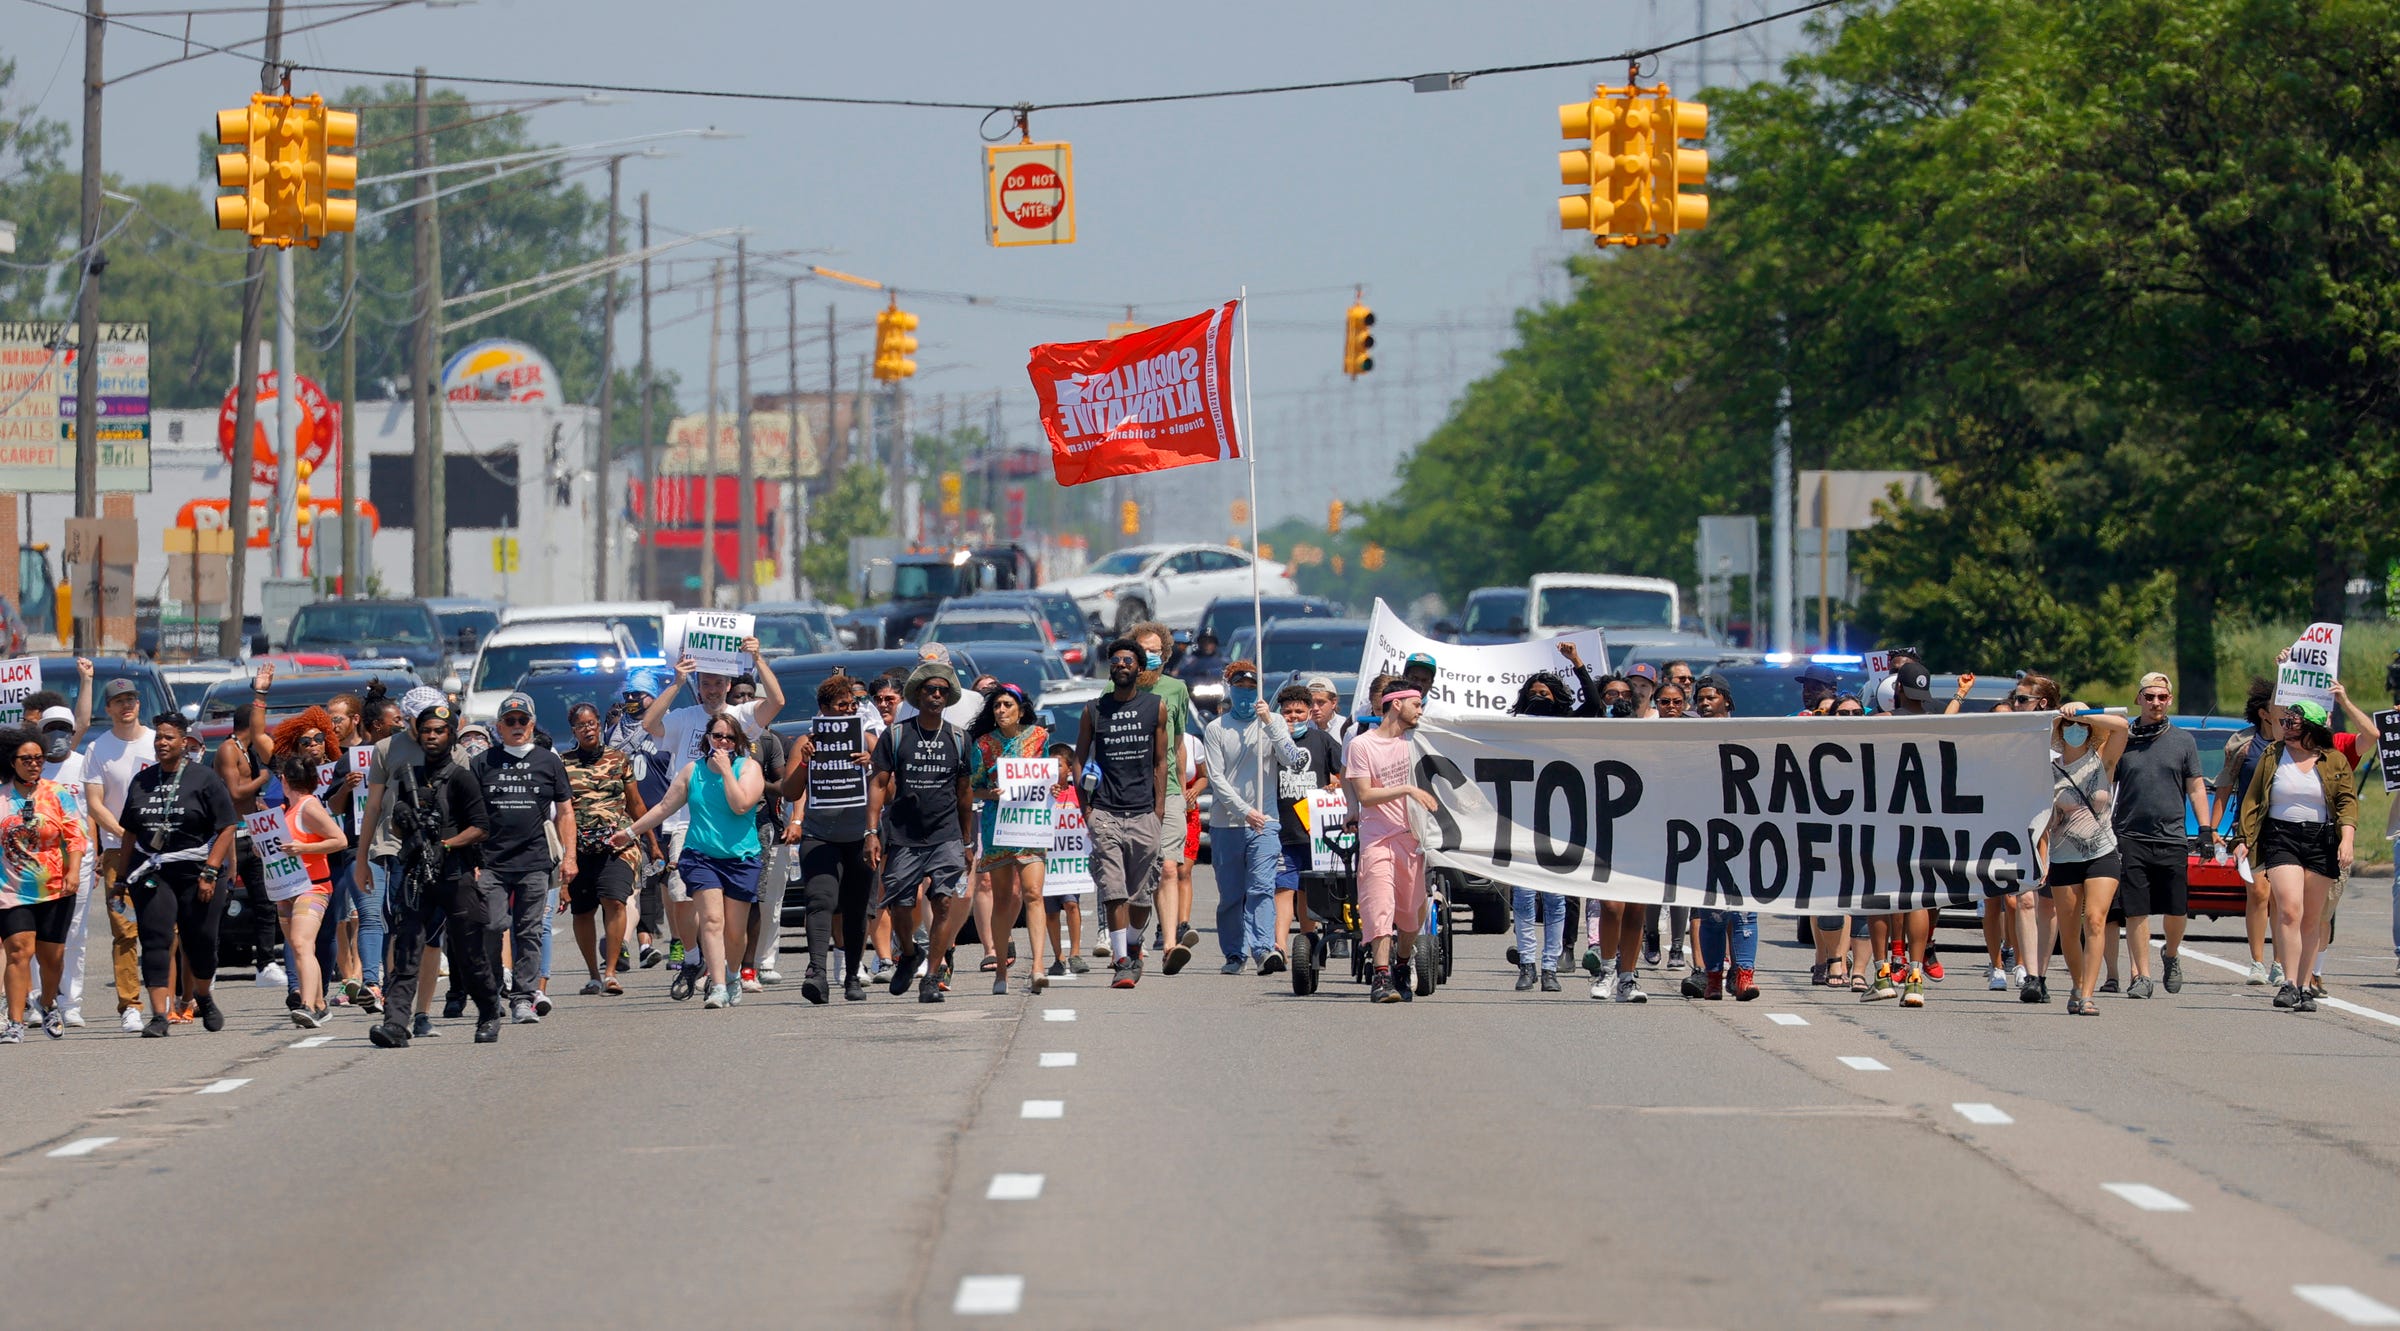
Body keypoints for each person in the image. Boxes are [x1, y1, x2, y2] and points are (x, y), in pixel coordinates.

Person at [641, 638, 781, 1001]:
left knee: (733, 927)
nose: (712, 689)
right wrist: (674, 683)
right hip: (687, 820)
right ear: (698, 685)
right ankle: (694, 959)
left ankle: (727, 973)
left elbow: (777, 702)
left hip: (733, 830)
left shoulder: (742, 717)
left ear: (729, 686)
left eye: (719, 683)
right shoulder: (686, 717)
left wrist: (758, 657)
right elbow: (650, 723)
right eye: (705, 683)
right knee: (683, 898)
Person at [614, 710, 764, 1010]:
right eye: (717, 735)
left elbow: (741, 805)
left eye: (729, 738)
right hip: (701, 855)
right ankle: (718, 986)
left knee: (735, 931)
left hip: (741, 858)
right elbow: (664, 808)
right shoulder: (691, 770)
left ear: (738, 742)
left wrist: (724, 772)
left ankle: (733, 976)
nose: (722, 742)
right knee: (711, 920)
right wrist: (630, 832)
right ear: (708, 737)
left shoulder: (749, 769)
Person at [368, 704, 494, 1047]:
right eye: (427, 731)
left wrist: (447, 845)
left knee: (469, 953)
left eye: (439, 731)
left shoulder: (461, 776)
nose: (432, 736)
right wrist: (403, 817)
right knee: (407, 949)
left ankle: (488, 1012)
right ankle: (395, 1022)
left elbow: (481, 827)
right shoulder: (410, 776)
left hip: (455, 877)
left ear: (450, 734)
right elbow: (394, 824)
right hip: (417, 878)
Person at [110, 713, 237, 1038]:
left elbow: (227, 827)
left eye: (169, 737)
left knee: (200, 942)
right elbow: (129, 834)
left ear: (184, 743)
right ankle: (159, 1015)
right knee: (155, 939)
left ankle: (203, 996)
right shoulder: (143, 781)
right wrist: (122, 878)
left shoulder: (204, 779)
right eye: (158, 738)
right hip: (154, 872)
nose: (162, 743)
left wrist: (211, 871)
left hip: (197, 872)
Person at [864, 661, 976, 1003]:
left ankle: (931, 975)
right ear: (918, 695)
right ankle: (909, 953)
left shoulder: (958, 738)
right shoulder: (897, 735)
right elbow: (880, 783)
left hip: (945, 835)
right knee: (899, 903)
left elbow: (964, 792)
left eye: (942, 691)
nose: (937, 696)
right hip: (903, 835)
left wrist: (967, 841)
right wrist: (871, 832)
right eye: (930, 690)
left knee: (942, 903)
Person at [2237, 698, 2356, 1014]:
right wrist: (2243, 840)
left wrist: (2347, 840)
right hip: (2281, 837)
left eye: (2292, 723)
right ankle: (2289, 983)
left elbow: (2346, 803)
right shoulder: (2273, 755)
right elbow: (2252, 800)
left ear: (2312, 728)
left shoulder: (2333, 760)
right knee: (2290, 909)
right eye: (2284, 722)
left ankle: (2304, 986)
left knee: (2313, 917)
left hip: (2321, 841)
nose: (2285, 727)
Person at [2109, 672, 2212, 1000]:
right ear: (2138, 698)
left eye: (2162, 698)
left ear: (2169, 700)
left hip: (2171, 836)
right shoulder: (2124, 737)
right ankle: (2142, 975)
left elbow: (2195, 787)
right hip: (2130, 834)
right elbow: (2106, 777)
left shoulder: (2183, 741)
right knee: (2135, 910)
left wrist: (2205, 829)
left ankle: (2170, 954)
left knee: (2176, 909)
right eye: (2149, 697)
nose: (2156, 703)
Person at [1204, 659, 1310, 977]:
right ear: (1230, 689)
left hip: (1267, 822)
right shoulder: (1216, 729)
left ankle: (1264, 949)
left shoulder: (1272, 721)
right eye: (1240, 689)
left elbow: (1294, 761)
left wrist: (1272, 725)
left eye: (1252, 689)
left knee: (1263, 887)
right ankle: (1234, 952)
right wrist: (1244, 811)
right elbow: (1217, 780)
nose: (1247, 696)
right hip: (1229, 822)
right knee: (1232, 894)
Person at [475, 693, 576, 1025]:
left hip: (535, 861)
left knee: (529, 931)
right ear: (499, 727)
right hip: (492, 862)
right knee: (492, 926)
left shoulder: (549, 761)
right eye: (510, 721)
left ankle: (523, 997)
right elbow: (470, 815)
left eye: (522, 720)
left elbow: (564, 812)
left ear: (532, 724)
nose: (516, 727)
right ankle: (491, 991)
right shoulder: (483, 763)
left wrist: (569, 857)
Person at [1074, 639, 1169, 989]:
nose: (1121, 665)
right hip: (1105, 812)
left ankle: (1133, 941)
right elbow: (1079, 757)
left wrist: (1158, 810)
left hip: (1144, 812)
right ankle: (1122, 959)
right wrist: (1086, 805)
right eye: (1115, 661)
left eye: (1128, 660)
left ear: (1140, 669)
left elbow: (1161, 761)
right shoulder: (1094, 710)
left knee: (1141, 897)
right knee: (1114, 889)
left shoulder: (1155, 708)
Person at [780, 674, 880, 1003]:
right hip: (819, 834)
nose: (848, 710)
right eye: (841, 706)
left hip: (859, 836)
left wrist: (873, 765)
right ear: (824, 709)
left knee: (856, 907)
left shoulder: (867, 740)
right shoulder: (805, 741)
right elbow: (791, 790)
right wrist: (805, 761)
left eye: (852, 705)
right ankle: (817, 972)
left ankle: (852, 974)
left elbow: (888, 789)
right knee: (819, 900)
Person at [2039, 686, 2131, 1016]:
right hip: (2063, 856)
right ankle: (2077, 984)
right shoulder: (2047, 771)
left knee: (2095, 919)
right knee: (2069, 928)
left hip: (2102, 851)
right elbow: (2042, 819)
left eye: (2082, 727)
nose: (2076, 730)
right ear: (2060, 731)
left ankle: (2089, 993)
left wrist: (2085, 712)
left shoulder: (2102, 762)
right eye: (2069, 725)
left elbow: (2123, 726)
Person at [1346, 685, 1437, 1004]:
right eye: (1416, 704)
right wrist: (1408, 790)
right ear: (1395, 704)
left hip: (1411, 839)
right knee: (1380, 906)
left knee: (1412, 914)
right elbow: (1366, 796)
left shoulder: (1417, 741)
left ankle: (1401, 964)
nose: (1421, 711)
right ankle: (1381, 976)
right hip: (1376, 839)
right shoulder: (1362, 745)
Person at [0, 726, 86, 1042]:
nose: (35, 764)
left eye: (39, 758)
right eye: (27, 759)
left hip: (55, 889)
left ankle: (47, 1003)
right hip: (11, 890)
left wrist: (73, 872)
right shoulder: (1, 796)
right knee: (19, 952)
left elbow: (76, 835)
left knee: (53, 958)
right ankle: (15, 1021)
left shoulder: (57, 793)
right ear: (12, 761)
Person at [967, 682, 1051, 995]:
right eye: (997, 706)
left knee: (1033, 893)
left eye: (1007, 705)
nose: (1001, 711)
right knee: (1002, 899)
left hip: (1030, 825)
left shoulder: (1040, 737)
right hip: (997, 826)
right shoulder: (983, 744)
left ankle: (1038, 966)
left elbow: (1044, 775)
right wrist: (991, 792)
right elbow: (973, 787)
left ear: (1021, 709)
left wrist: (1053, 787)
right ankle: (1001, 968)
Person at [82, 675, 155, 1034]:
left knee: (164, 927)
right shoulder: (98, 749)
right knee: (124, 930)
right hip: (117, 853)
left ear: (139, 704)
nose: (127, 705)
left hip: (161, 852)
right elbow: (95, 804)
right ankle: (130, 1004)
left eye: (132, 699)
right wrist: (127, 835)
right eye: (119, 701)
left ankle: (167, 997)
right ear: (108, 708)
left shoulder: (159, 743)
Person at [562, 702, 645, 997]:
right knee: (583, 912)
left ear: (599, 724)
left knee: (615, 900)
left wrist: (652, 841)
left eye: (592, 723)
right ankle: (594, 975)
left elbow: (635, 802)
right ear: (574, 730)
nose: (588, 729)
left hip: (616, 844)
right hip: (580, 847)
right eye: (581, 725)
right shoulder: (563, 763)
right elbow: (559, 810)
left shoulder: (619, 759)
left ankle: (611, 973)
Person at [1129, 622, 1198, 959]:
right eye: (1145, 650)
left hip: (1168, 788)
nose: (1151, 656)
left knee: (1170, 866)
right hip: (1130, 791)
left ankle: (1170, 942)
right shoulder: (1117, 688)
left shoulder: (1176, 689)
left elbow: (1180, 742)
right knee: (1138, 872)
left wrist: (1183, 790)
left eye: (1157, 650)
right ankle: (1131, 939)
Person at [24, 698, 93, 1031]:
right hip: (37, 862)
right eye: (51, 730)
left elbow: (90, 812)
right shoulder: (32, 766)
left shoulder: (84, 763)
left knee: (75, 933)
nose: (58, 736)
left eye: (64, 729)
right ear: (41, 732)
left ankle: (70, 1002)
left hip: (78, 859)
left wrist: (90, 860)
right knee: (37, 935)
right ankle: (37, 999)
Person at [266, 745, 347, 1028]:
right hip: (286, 887)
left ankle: (309, 1005)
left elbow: (339, 840)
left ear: (285, 781)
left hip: (313, 887)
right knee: (299, 946)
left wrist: (302, 847)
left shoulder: (309, 806)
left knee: (302, 943)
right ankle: (320, 1004)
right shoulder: (287, 810)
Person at [2211, 677, 2283, 984]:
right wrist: (2211, 829)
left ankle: (2281, 962)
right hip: (2251, 828)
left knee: (2282, 896)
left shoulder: (2293, 741)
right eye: (2276, 704)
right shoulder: (2243, 744)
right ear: (2264, 712)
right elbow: (2224, 786)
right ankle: (2257, 962)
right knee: (2258, 891)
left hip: (2286, 827)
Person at [1270, 683, 1343, 974]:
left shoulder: (1322, 740)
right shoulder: (1271, 742)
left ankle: (1308, 943)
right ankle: (1279, 947)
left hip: (1315, 832)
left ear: (1309, 712)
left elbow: (1342, 771)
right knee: (1283, 888)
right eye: (1287, 712)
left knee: (1309, 892)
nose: (1294, 717)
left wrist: (1336, 782)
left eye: (1299, 711)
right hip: (1283, 830)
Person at [606, 670, 674, 970]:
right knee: (634, 886)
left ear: (654, 697)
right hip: (631, 820)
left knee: (673, 889)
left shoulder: (670, 725)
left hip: (668, 817)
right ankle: (622, 942)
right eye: (628, 695)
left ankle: (680, 945)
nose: (632, 700)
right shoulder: (615, 731)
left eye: (639, 695)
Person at [726, 675, 789, 989]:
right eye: (738, 695)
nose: (744, 701)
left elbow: (783, 786)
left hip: (758, 824)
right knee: (721, 898)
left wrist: (755, 781)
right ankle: (721, 966)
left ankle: (749, 967)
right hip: (721, 824)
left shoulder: (767, 740)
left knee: (754, 897)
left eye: (750, 695)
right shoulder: (717, 735)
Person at [1305, 676, 1357, 747]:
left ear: (1333, 703)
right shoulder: (1302, 729)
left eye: (1320, 702)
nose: (1315, 708)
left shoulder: (1348, 729)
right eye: (1310, 702)